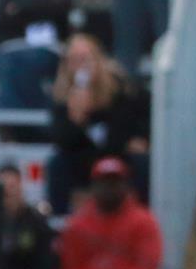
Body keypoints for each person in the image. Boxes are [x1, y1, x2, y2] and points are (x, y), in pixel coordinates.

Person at [47, 33, 149, 212]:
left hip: (118, 157)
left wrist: (140, 138)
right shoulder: (63, 100)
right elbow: (61, 141)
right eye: (75, 61)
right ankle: (59, 224)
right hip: (83, 161)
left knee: (142, 163)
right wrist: (76, 121)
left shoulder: (122, 90)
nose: (81, 67)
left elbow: (130, 126)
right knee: (56, 165)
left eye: (85, 59)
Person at [0, 0, 73, 141]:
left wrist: (21, 9)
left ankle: (19, 125)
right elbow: (2, 18)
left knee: (24, 63)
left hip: (46, 48)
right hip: (11, 48)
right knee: (5, 62)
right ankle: (19, 124)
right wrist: (36, 8)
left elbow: (58, 10)